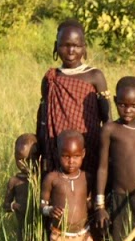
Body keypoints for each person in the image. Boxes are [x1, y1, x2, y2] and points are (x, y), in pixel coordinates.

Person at [36, 21, 109, 199]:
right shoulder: (51, 78)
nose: (71, 51)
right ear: (56, 46)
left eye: (76, 46)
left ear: (84, 47)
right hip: (58, 149)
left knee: (87, 193)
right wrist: (42, 149)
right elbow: (43, 117)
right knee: (59, 193)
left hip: (88, 147)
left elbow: (107, 118)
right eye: (65, 45)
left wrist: (108, 151)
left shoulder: (95, 76)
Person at [40, 130, 104, 241]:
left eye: (76, 156)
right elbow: (42, 205)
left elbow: (90, 201)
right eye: (66, 156)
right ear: (57, 154)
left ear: (83, 154)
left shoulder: (86, 178)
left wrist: (95, 207)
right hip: (60, 239)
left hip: (82, 238)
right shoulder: (52, 179)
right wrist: (50, 210)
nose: (71, 161)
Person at [95, 76, 135, 241]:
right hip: (121, 198)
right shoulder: (110, 129)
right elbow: (102, 168)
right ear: (115, 101)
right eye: (122, 105)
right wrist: (100, 205)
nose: (128, 110)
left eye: (134, 106)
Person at [3, 133, 40, 241]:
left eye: (29, 159)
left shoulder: (41, 179)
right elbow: (5, 205)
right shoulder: (14, 181)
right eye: (20, 159)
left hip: (40, 226)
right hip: (22, 227)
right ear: (15, 157)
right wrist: (13, 206)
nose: (25, 164)